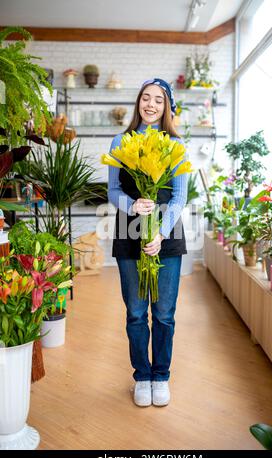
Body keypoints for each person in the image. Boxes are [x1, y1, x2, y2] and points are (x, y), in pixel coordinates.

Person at [108, 78, 188, 407]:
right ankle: (142, 376)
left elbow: (180, 196)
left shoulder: (175, 144)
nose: (151, 104)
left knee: (165, 314)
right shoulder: (120, 141)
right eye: (145, 98)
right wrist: (133, 206)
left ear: (166, 106)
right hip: (129, 236)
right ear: (138, 102)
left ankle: (161, 376)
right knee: (137, 313)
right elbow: (113, 191)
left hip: (166, 239)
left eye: (158, 99)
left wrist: (159, 232)